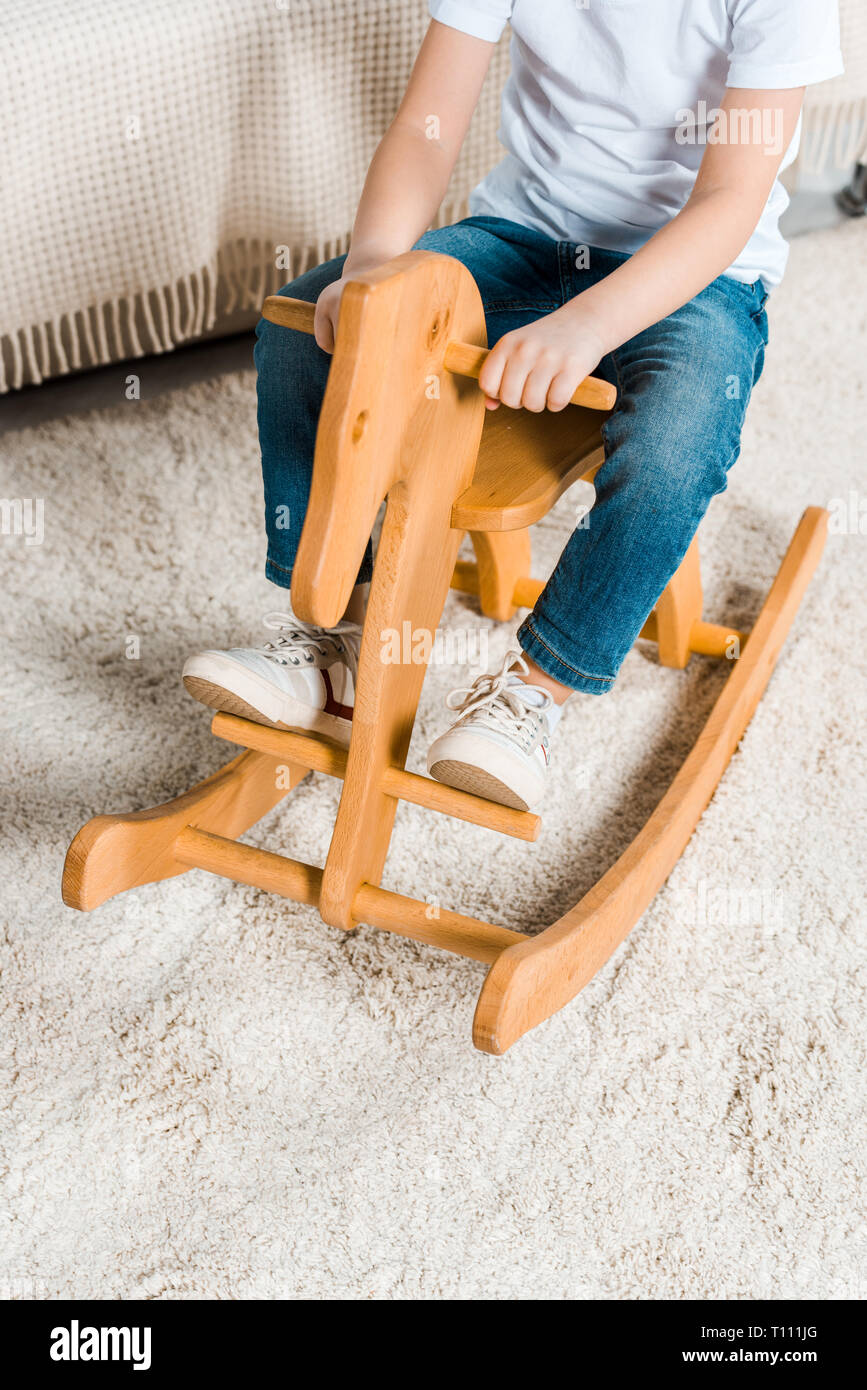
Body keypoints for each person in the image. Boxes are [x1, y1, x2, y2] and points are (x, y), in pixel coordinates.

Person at [183, 0, 843, 812]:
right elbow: (427, 127)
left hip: (696, 272)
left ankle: (535, 690)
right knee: (305, 329)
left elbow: (726, 201)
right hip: (523, 238)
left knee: (676, 441)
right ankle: (337, 639)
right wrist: (374, 271)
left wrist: (588, 324)